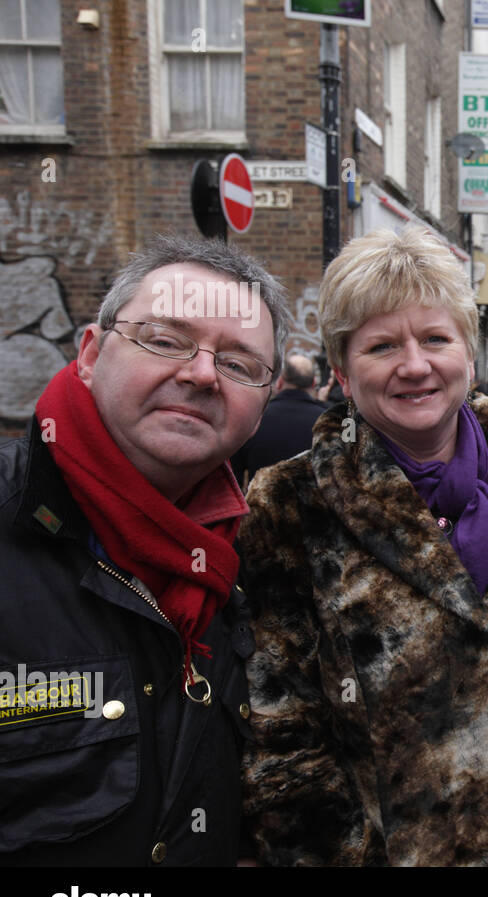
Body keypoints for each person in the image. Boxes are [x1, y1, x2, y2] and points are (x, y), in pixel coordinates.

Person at [239, 226, 488, 866]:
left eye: (434, 338)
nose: (414, 364)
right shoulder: (289, 502)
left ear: (469, 354)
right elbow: (282, 726)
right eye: (381, 345)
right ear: (342, 372)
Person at [0, 235, 289, 864]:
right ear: (90, 353)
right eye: (163, 340)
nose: (202, 373)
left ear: (264, 406)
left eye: (240, 364)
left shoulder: (254, 565)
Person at [230, 351, 328, 487]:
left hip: (263, 504)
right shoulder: (328, 421)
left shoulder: (254, 417)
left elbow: (233, 476)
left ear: (280, 382)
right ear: (313, 383)